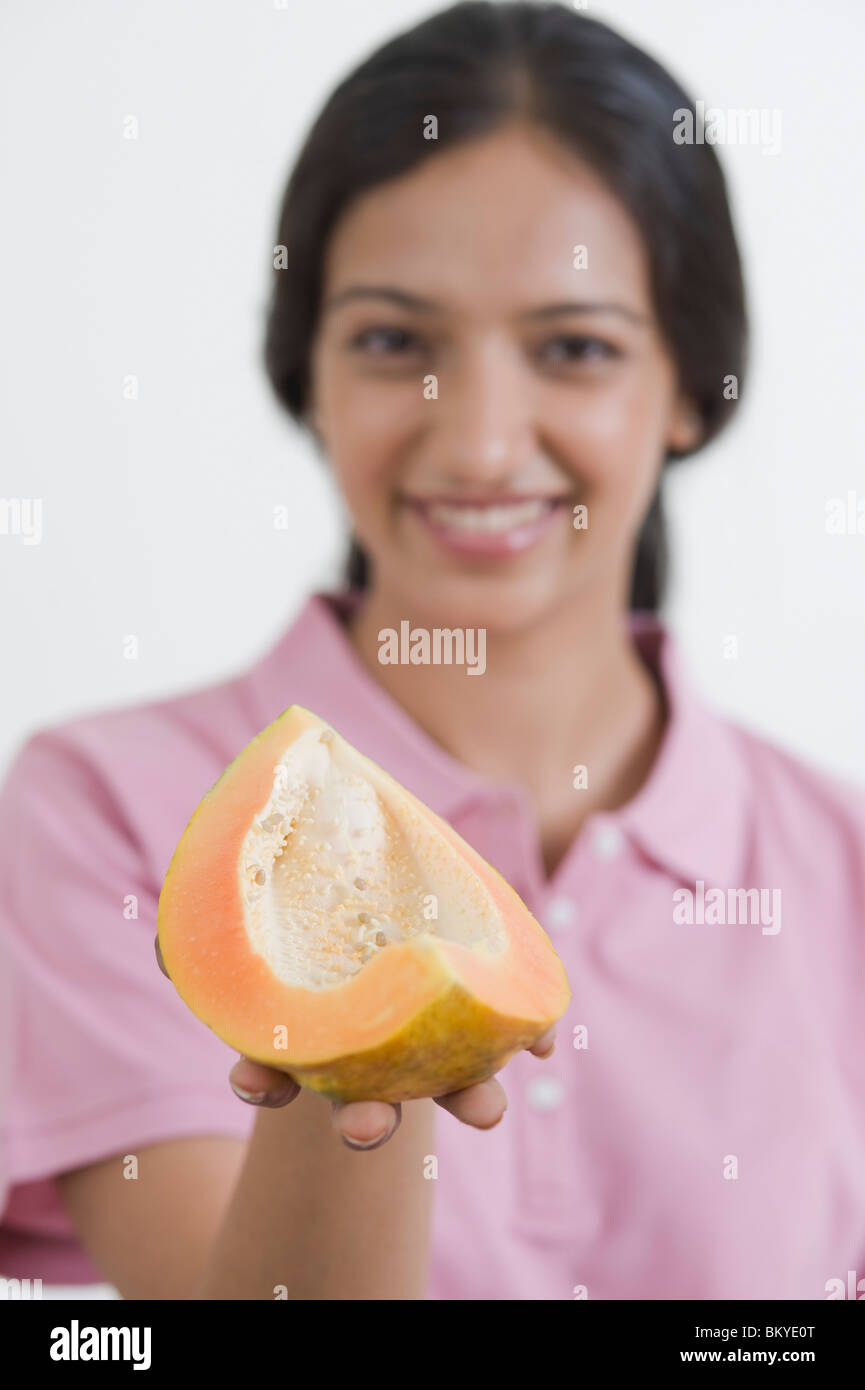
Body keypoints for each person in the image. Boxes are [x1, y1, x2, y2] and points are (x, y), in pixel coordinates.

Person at [2, 0, 864, 1302]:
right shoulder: (101, 813)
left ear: (690, 385)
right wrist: (351, 1059)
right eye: (393, 342)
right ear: (308, 375)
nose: (474, 441)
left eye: (573, 347)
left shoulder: (839, 866)